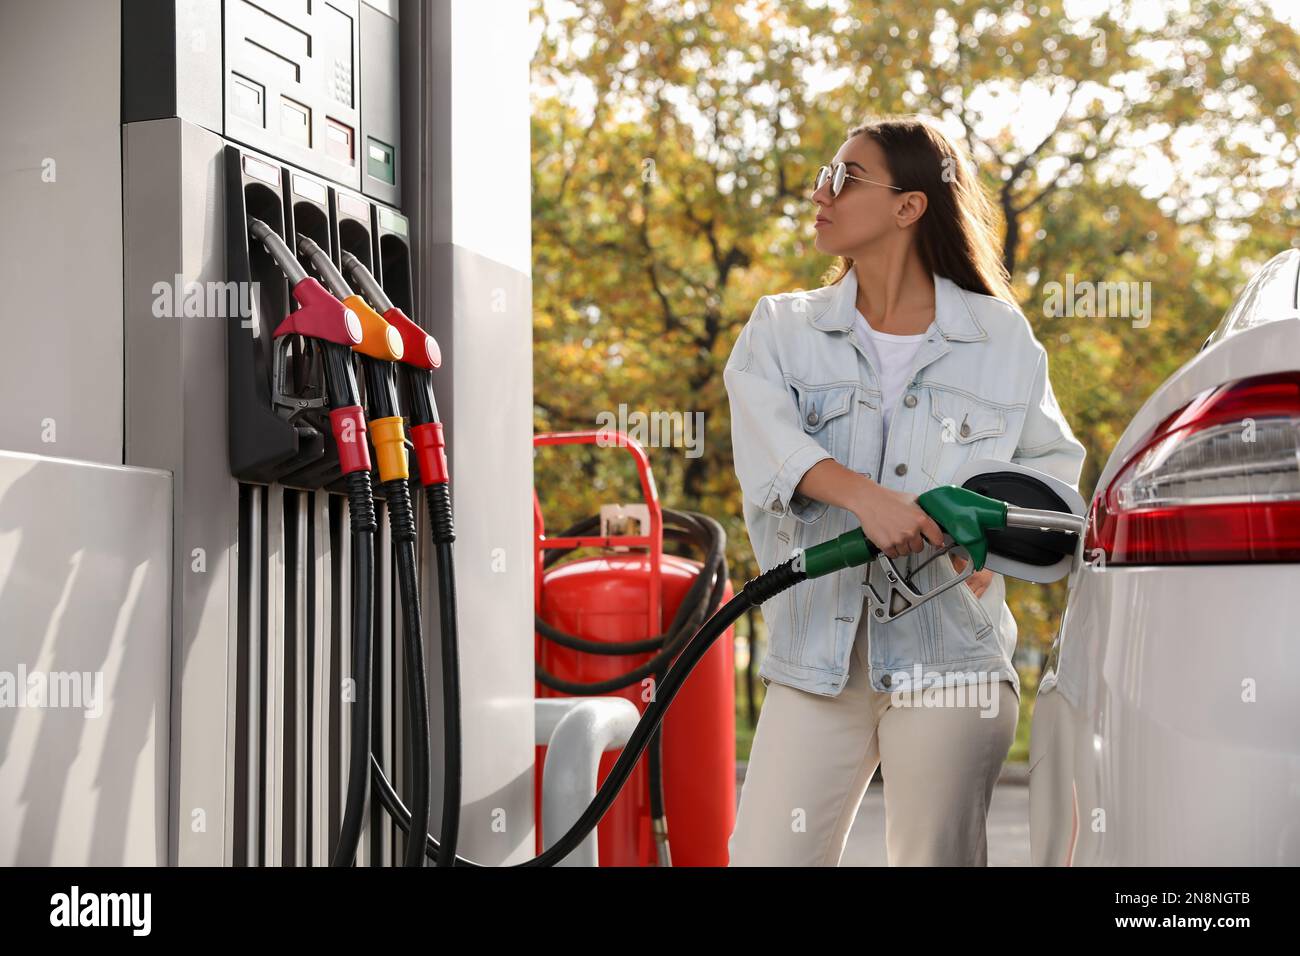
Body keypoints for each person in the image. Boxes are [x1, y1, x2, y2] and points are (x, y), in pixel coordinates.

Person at [723, 115, 1086, 866]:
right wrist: (865, 496)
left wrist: (994, 544)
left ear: (909, 206)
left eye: (845, 177)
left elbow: (1054, 488)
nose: (820, 192)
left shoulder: (999, 339)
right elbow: (767, 445)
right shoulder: (782, 330)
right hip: (815, 659)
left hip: (951, 658)